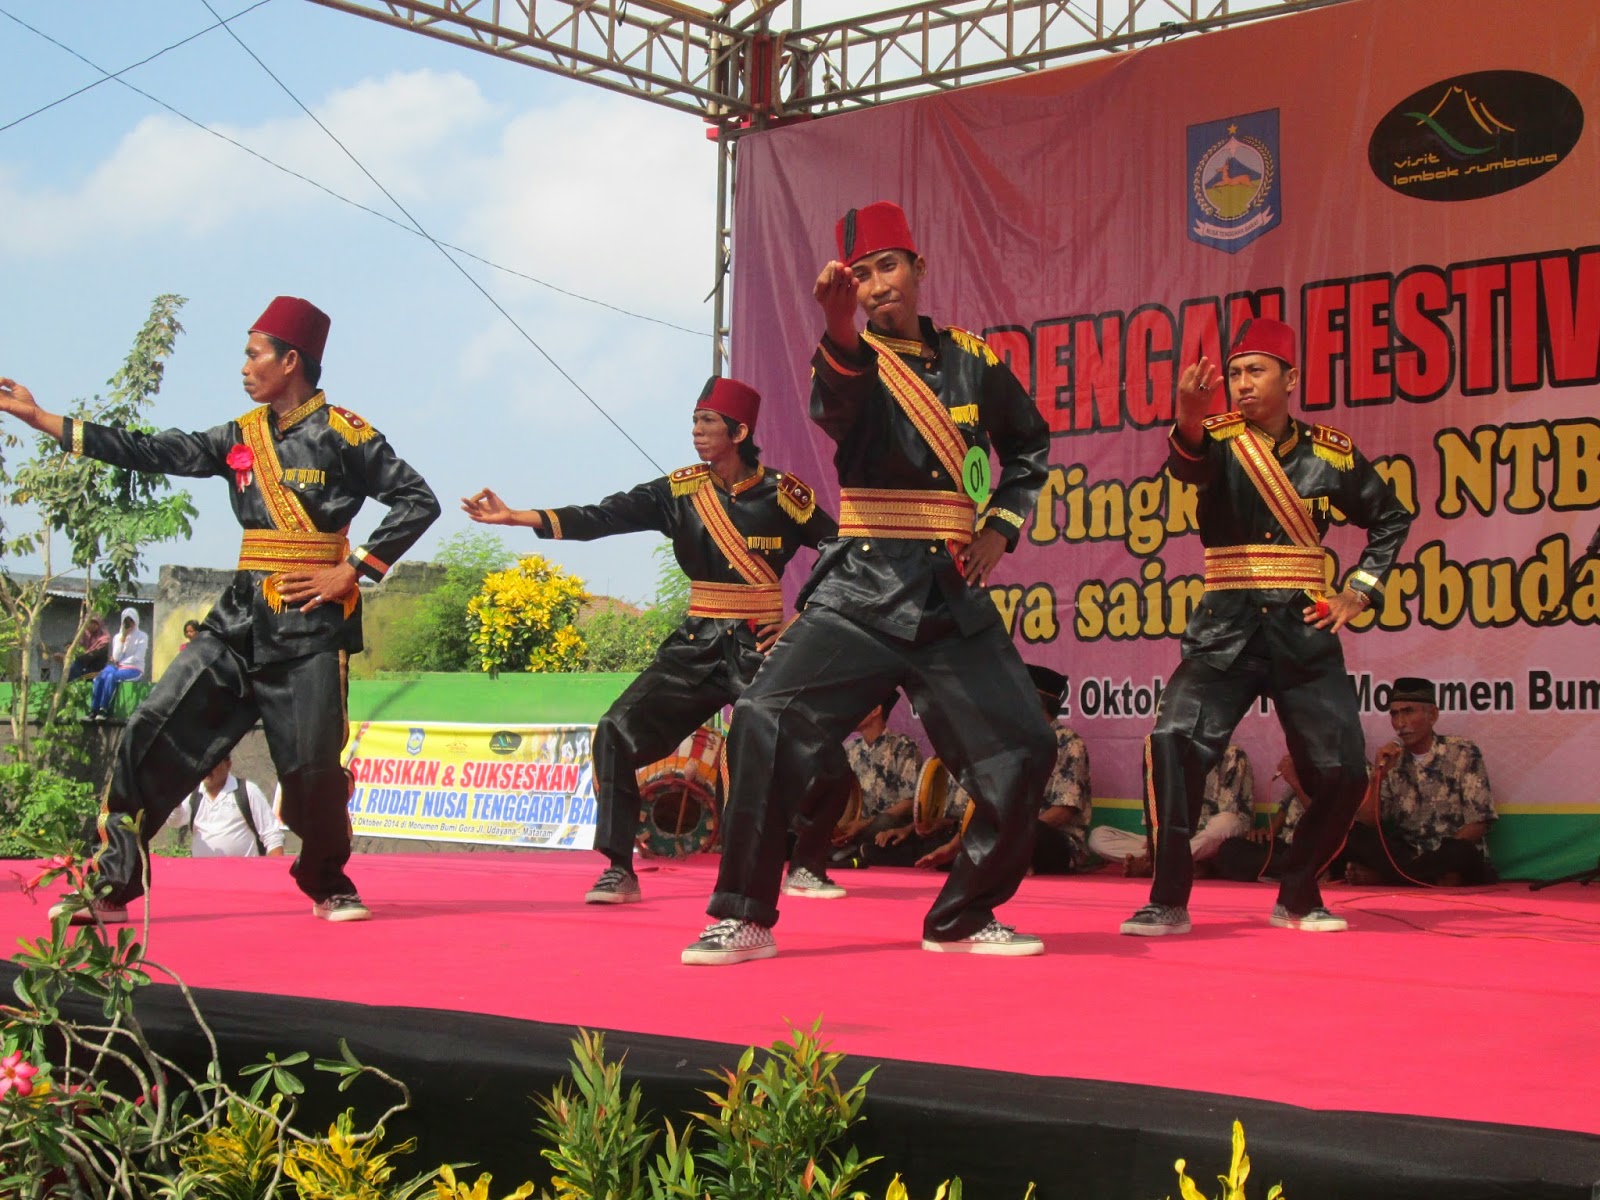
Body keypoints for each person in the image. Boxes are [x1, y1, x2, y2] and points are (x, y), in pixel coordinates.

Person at [683, 200, 1057, 965]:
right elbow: (839, 402)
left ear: (919, 269)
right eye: (859, 275)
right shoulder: (849, 354)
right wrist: (838, 325)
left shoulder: (975, 362)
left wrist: (999, 528)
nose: (875, 283)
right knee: (763, 715)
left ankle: (961, 917)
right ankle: (745, 915)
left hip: (952, 598)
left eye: (886, 266)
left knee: (1025, 748)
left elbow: (1029, 448)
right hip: (863, 589)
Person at [0, 295, 441, 925]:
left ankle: (326, 878)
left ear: (291, 361)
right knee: (150, 726)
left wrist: (353, 568)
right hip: (237, 624)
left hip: (311, 631)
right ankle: (113, 882)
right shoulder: (240, 435)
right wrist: (45, 419)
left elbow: (417, 500)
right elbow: (154, 450)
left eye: (253, 353)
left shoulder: (345, 434)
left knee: (313, 771)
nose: (244, 365)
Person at [462, 376, 849, 904]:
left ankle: (806, 865)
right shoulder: (680, 491)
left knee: (820, 754)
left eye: (707, 422)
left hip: (760, 647)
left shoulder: (783, 493)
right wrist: (515, 517)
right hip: (696, 644)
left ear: (739, 431)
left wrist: (802, 617)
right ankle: (619, 867)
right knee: (615, 731)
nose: (695, 432)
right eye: (693, 421)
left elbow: (839, 550)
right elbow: (603, 516)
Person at [1119, 316, 1412, 937]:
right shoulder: (1217, 437)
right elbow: (1189, 466)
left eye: (1257, 372)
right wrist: (1191, 416)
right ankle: (1168, 897)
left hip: (1303, 630)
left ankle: (1300, 892)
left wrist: (1359, 592)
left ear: (1291, 378)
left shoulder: (1331, 453)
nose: (1243, 384)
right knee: (1173, 740)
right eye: (1237, 374)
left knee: (1342, 772)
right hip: (1225, 628)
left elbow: (1389, 518)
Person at [915, 665, 1095, 876]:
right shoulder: (1012, 745)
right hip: (1009, 835)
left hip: (1054, 840)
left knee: (1030, 836)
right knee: (951, 841)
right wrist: (957, 844)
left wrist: (1010, 835)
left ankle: (1004, 859)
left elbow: (1062, 812)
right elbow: (989, 805)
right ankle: (1000, 861)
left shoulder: (1069, 744)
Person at [1338, 677, 1496, 886]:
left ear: (1432, 715)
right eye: (1395, 714)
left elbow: (1479, 823)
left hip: (1449, 853)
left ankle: (1390, 878)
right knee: (1353, 835)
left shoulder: (1463, 752)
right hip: (1407, 854)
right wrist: (1378, 777)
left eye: (1409, 712)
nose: (1400, 723)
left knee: (1461, 852)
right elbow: (1368, 823)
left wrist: (1438, 857)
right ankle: (1426, 878)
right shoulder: (1392, 760)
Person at [1091, 741, 1253, 877]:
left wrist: (1176, 835)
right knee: (1098, 837)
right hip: (1175, 841)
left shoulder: (1231, 755)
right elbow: (1155, 814)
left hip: (1207, 840)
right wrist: (1157, 840)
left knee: (1227, 822)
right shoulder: (1165, 756)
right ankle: (1178, 863)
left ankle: (1158, 864)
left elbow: (1230, 815)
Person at [829, 690, 924, 867]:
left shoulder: (903, 747)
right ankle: (852, 850)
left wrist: (863, 824)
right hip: (856, 826)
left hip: (882, 826)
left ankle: (858, 852)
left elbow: (910, 801)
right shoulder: (851, 749)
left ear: (875, 711)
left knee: (885, 823)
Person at [1212, 752, 1309, 882]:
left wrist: (1296, 783)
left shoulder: (1333, 774)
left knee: (1297, 859)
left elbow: (1323, 817)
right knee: (1228, 849)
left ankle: (1300, 872)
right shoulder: (1300, 770)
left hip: (1311, 847)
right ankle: (1290, 872)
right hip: (1286, 846)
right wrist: (1266, 834)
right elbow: (1283, 810)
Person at [166, 755, 284, 858]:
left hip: (244, 877)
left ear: (228, 765)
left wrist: (279, 874)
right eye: (202, 762)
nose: (206, 768)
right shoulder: (193, 793)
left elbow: (272, 835)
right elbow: (175, 822)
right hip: (203, 878)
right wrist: (175, 804)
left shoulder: (247, 791)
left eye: (212, 762)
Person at [88, 607, 148, 719]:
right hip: (119, 667)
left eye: (131, 620)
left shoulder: (142, 636)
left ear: (136, 621)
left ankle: (103, 709)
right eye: (126, 621)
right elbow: (116, 657)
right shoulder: (118, 637)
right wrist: (123, 638)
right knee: (101, 675)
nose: (129, 624)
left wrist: (121, 662)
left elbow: (138, 657)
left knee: (111, 676)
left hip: (134, 669)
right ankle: (94, 709)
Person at [65, 617, 111, 682]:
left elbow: (91, 655)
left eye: (95, 623)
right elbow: (77, 645)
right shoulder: (84, 634)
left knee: (75, 665)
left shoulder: (103, 638)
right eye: (91, 622)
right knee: (72, 667)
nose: (93, 625)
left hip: (96, 670)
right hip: (83, 667)